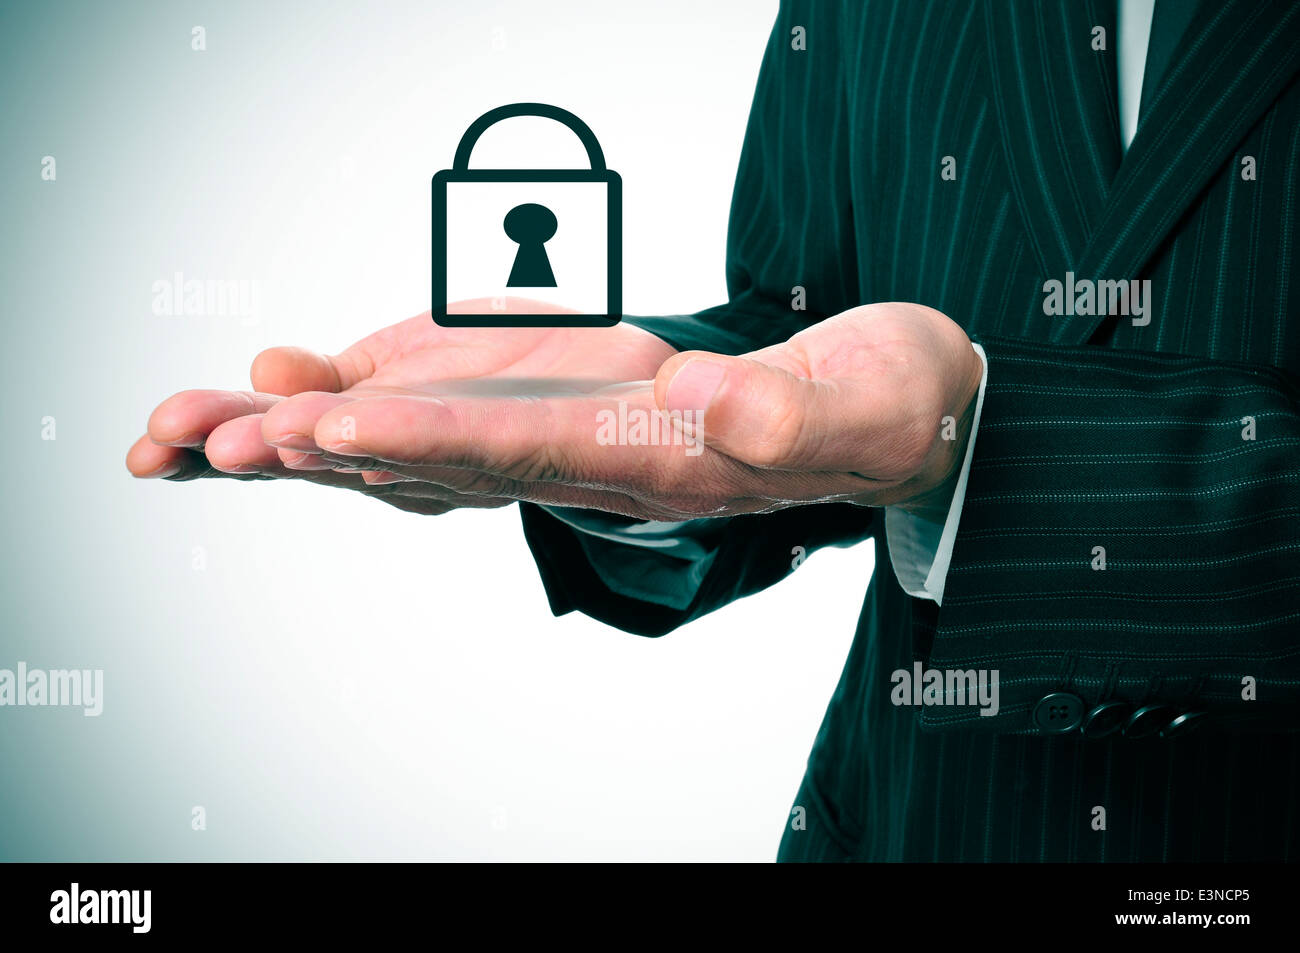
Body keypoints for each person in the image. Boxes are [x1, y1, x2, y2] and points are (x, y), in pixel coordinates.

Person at [127, 0, 1300, 861]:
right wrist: (632, 421)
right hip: (905, 823)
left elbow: (925, 400)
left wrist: (985, 446)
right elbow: (806, 334)